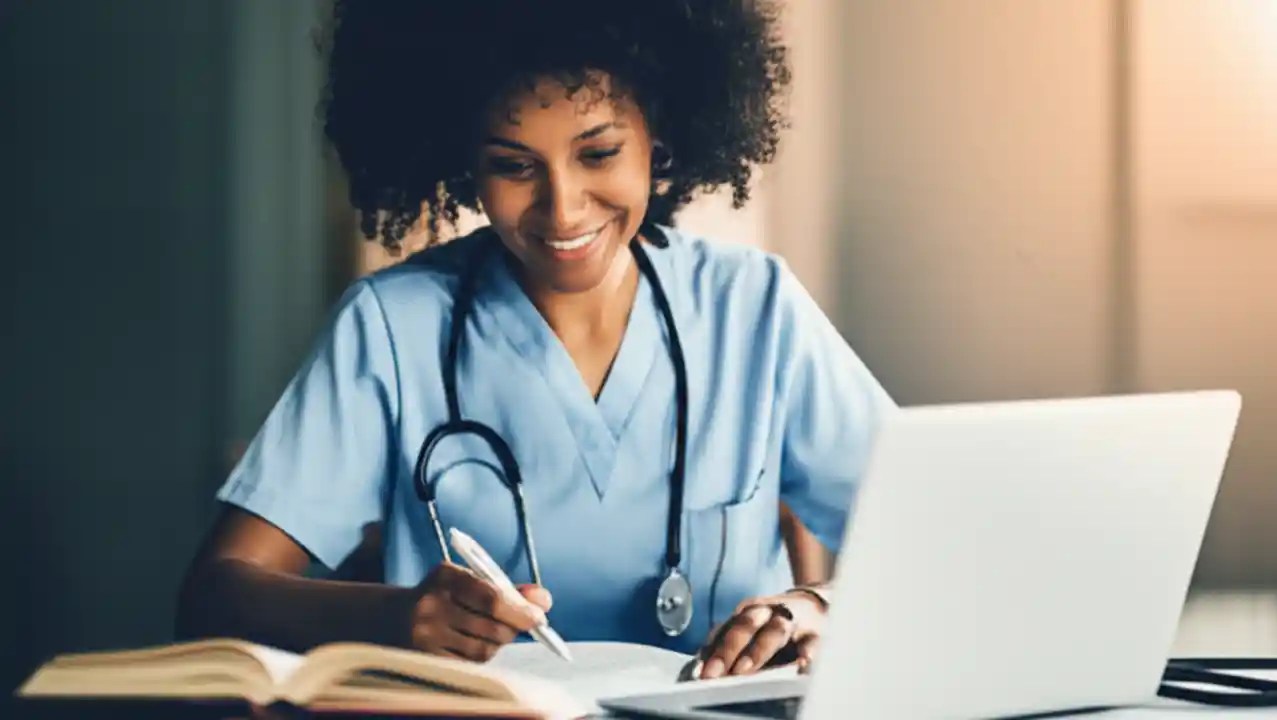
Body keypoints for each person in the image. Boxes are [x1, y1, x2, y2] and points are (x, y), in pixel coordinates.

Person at [176, 0, 894, 681]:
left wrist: (818, 608)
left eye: (599, 152)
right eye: (514, 165)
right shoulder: (392, 326)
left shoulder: (755, 309)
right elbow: (213, 596)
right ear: (463, 163)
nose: (562, 208)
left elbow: (946, 544)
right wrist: (396, 616)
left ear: (659, 133)